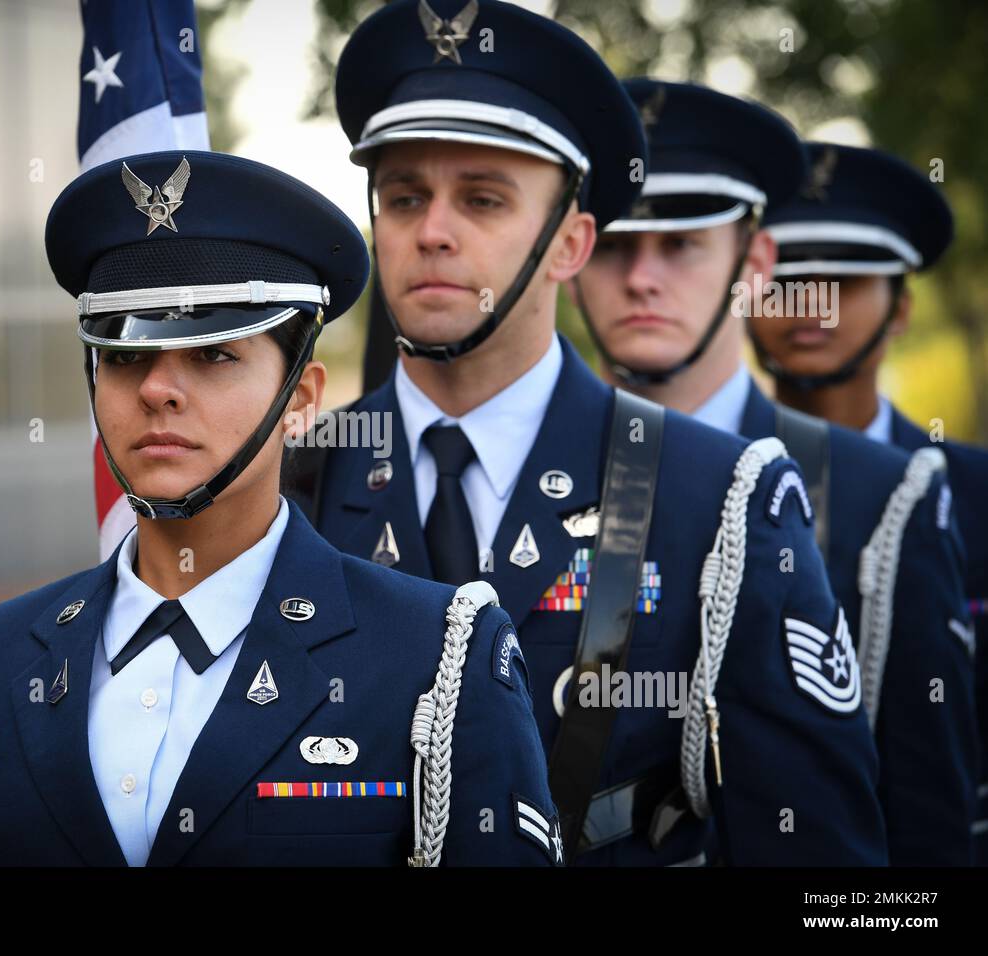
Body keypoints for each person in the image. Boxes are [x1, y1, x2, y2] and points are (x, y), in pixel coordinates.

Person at [288, 0, 886, 865]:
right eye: (403, 196)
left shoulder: (718, 497)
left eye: (483, 199)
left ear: (571, 243)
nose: (433, 231)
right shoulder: (290, 480)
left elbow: (821, 855)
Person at [0, 150, 559, 867]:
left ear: (302, 400)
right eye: (124, 356)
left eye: (213, 354)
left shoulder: (438, 661)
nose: (158, 389)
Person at [571, 79, 976, 865]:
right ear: (572, 250)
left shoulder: (883, 498)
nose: (643, 279)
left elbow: (927, 835)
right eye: (617, 244)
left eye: (683, 243)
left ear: (753, 261)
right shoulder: (500, 470)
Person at [748, 142, 986, 862]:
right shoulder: (687, 481)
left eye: (844, 280)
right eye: (785, 282)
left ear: (902, 308)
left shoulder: (976, 495)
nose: (810, 305)